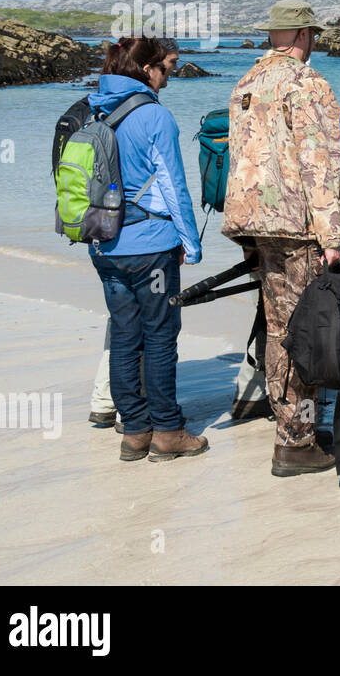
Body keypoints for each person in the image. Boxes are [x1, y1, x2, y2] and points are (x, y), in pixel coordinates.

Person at [222, 0, 340, 477]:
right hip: (299, 227)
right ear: (303, 34)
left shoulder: (246, 83)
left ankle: (291, 428)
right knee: (306, 330)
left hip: (255, 223)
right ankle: (295, 440)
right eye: (312, 33)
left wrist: (245, 235)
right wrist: (332, 234)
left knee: (278, 327)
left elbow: (240, 158)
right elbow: (322, 162)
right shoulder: (307, 83)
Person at [86, 36, 205, 461]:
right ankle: (168, 432)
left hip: (103, 242)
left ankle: (135, 433)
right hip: (150, 247)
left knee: (124, 336)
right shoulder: (154, 116)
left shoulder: (95, 107)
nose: (168, 78)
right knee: (159, 338)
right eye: (166, 70)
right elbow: (174, 185)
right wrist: (191, 244)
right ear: (148, 69)